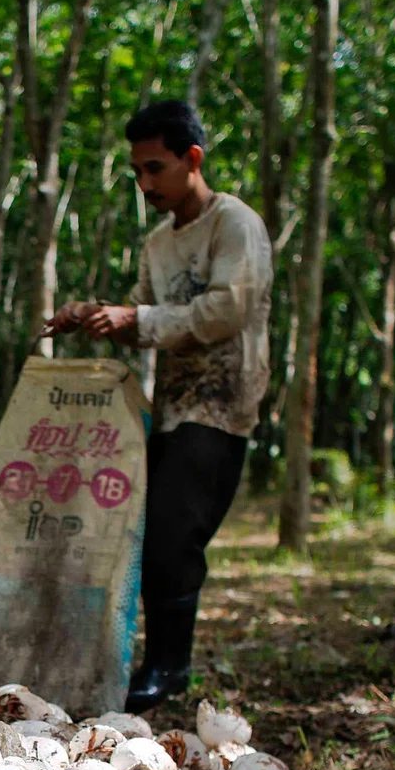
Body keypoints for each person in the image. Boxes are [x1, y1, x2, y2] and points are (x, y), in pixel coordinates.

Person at [46, 99, 273, 712]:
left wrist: (138, 317)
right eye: (138, 173)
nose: (145, 184)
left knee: (176, 535)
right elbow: (143, 318)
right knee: (155, 536)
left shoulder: (235, 225)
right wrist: (93, 317)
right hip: (170, 405)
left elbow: (229, 308)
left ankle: (169, 669)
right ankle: (163, 664)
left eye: (155, 169)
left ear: (191, 158)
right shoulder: (156, 243)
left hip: (223, 403)